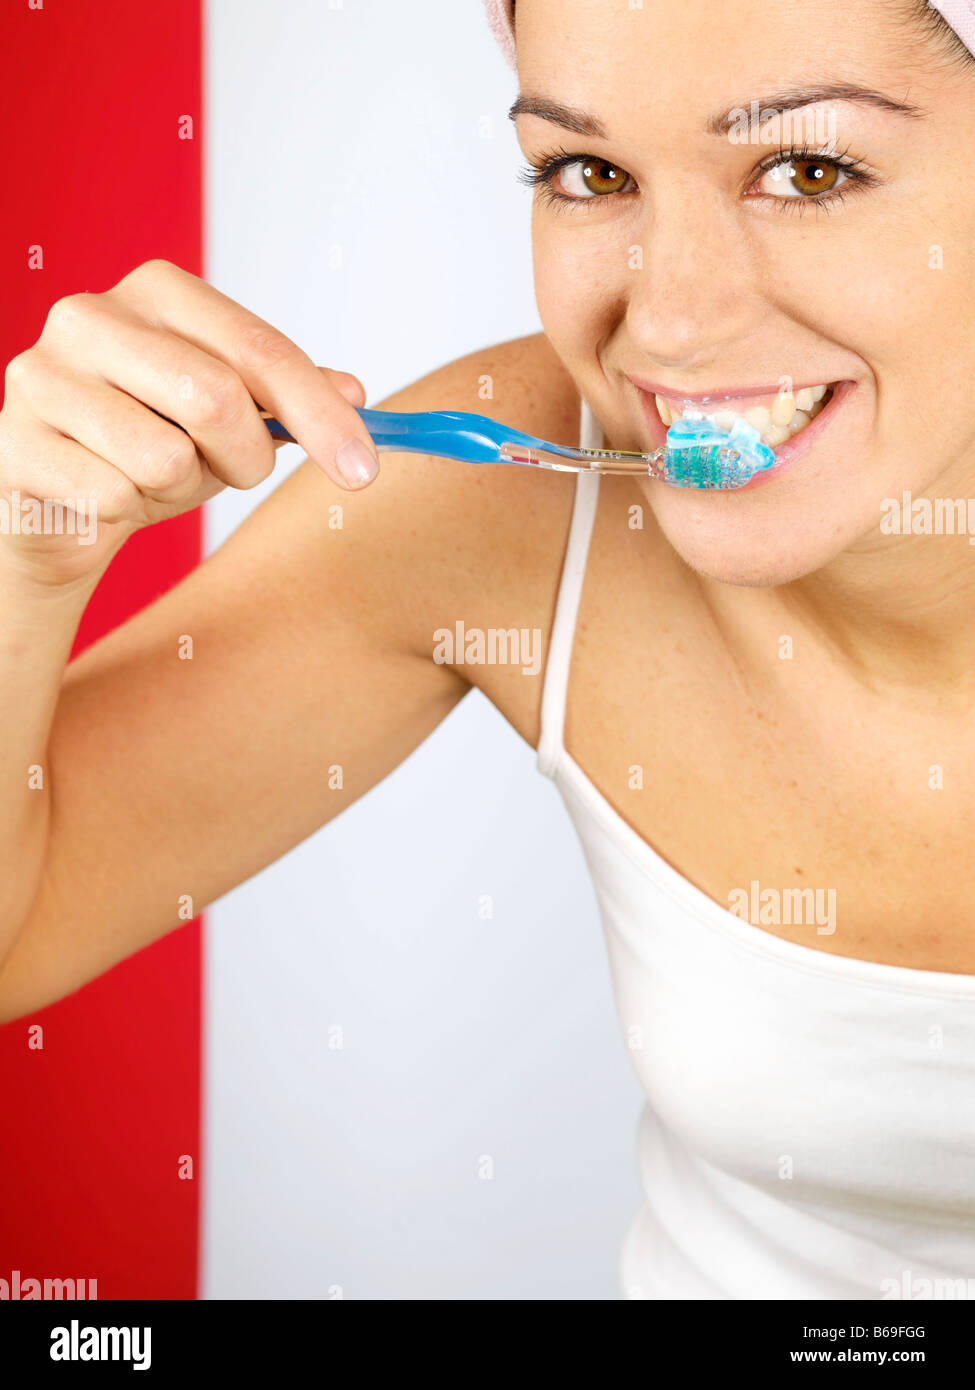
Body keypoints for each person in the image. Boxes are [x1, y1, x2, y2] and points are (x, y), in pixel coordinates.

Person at [2, 0, 975, 1298]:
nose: (672, 321)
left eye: (810, 170)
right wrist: (24, 566)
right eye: (590, 173)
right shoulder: (505, 486)